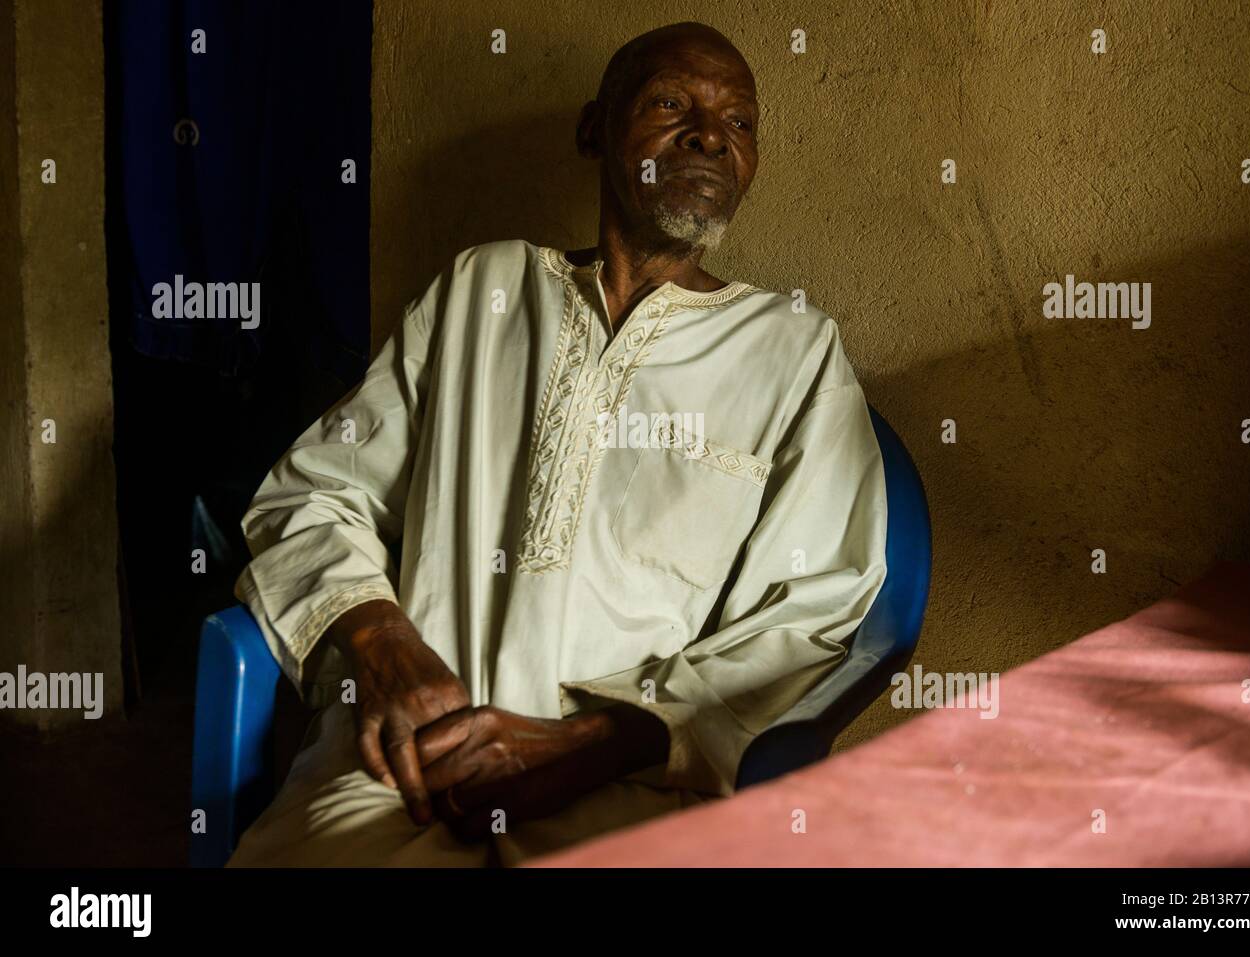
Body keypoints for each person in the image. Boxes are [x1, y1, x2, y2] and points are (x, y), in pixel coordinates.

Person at [228, 21, 887, 867]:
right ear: (593, 130)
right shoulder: (481, 290)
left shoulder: (794, 349)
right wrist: (381, 641)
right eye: (670, 103)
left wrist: (596, 742)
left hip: (637, 784)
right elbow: (313, 493)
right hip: (408, 766)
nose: (709, 135)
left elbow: (816, 615)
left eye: (739, 123)